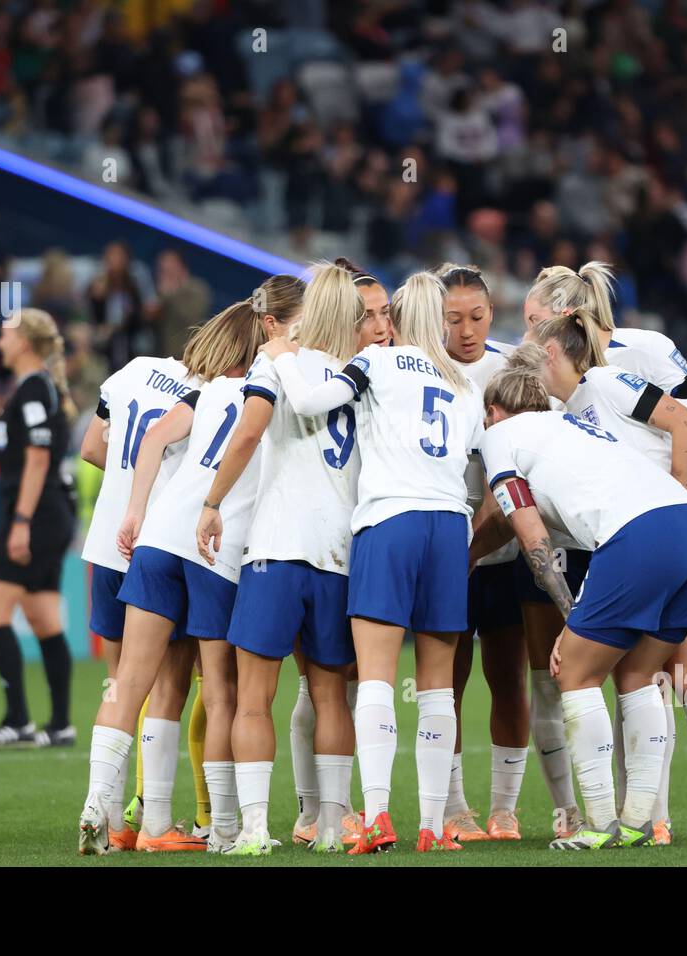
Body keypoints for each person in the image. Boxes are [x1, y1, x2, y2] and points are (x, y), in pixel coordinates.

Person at [258, 272, 484, 853]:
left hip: (389, 521)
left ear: (402, 321)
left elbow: (310, 401)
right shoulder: (464, 381)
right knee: (438, 690)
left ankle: (378, 815)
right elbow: (477, 456)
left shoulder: (377, 365)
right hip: (449, 524)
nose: (379, 326)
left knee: (376, 679)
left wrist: (282, 355)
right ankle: (434, 827)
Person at [77, 276, 303, 855]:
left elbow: (151, 438)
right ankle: (224, 827)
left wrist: (133, 512)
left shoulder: (203, 395)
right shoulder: (272, 392)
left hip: (157, 537)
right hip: (215, 548)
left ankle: (97, 804)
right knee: (222, 689)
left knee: (130, 682)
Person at [471, 349, 687, 849]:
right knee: (639, 677)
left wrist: (571, 619)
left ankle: (601, 824)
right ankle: (638, 822)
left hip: (640, 535)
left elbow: (531, 537)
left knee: (575, 671)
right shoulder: (573, 426)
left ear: (493, 412)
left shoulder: (497, 437)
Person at [526, 312, 687, 846]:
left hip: (668, 535)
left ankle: (651, 820)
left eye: (534, 333)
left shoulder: (605, 380)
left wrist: (673, 495)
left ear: (556, 349)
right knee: (670, 679)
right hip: (664, 540)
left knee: (663, 677)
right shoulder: (570, 411)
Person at [194, 264, 391, 854]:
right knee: (331, 695)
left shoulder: (277, 361)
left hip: (277, 547)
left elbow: (250, 433)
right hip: (339, 554)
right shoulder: (361, 376)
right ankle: (332, 827)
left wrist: (211, 502)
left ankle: (254, 829)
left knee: (254, 697)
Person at [281, 257, 390, 847]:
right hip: (313, 542)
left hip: (360, 540)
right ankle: (318, 811)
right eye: (364, 314)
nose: (376, 324)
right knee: (322, 681)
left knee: (341, 679)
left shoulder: (376, 377)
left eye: (382, 314)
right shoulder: (317, 374)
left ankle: (329, 811)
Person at [77, 342, 200, 851]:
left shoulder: (133, 370)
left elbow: (89, 447)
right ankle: (155, 825)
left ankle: (105, 815)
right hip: (158, 545)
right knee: (169, 686)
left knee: (119, 686)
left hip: (107, 538)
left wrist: (130, 490)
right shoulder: (210, 390)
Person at [436, 263, 528, 842]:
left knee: (508, 678)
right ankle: (453, 808)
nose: (467, 330)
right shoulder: (424, 370)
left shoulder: (511, 371)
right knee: (445, 683)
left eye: (476, 317)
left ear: (492, 315)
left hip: (501, 552)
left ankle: (504, 809)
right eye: (453, 319)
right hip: (444, 551)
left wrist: (487, 536)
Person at [0, 309, 78, 750]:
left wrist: (20, 522)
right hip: (48, 514)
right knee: (43, 618)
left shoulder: (34, 390)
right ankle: (60, 725)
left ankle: (17, 720)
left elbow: (37, 458)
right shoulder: (36, 390)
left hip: (32, 513)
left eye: (6, 334)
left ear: (26, 343)